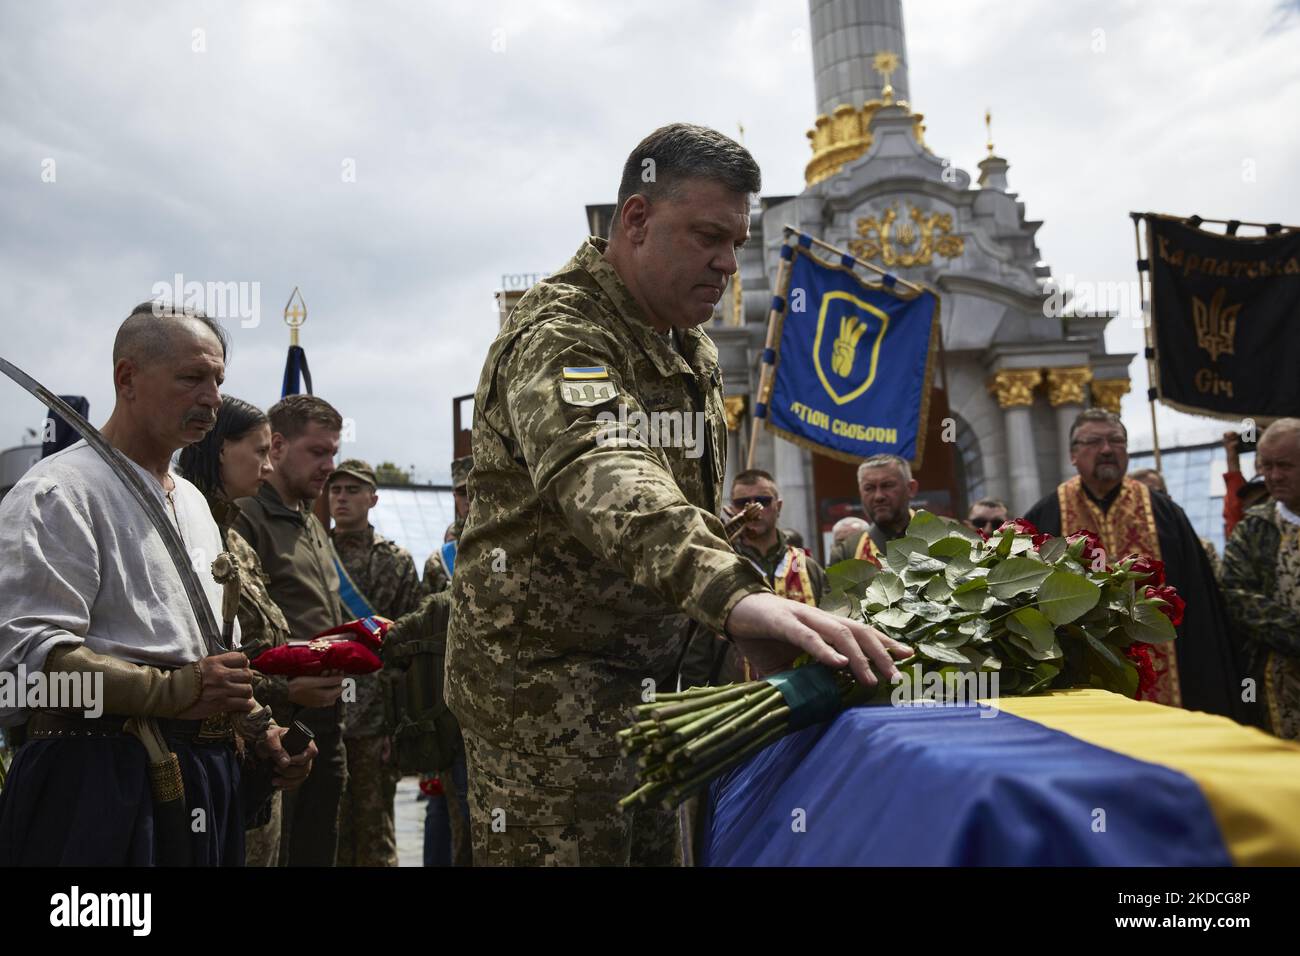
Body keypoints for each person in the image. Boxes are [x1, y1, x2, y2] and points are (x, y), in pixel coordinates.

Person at [445, 123, 908, 867]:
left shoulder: (685, 343)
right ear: (635, 220)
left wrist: (732, 619)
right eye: (706, 237)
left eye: (736, 242)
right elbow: (606, 471)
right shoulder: (561, 332)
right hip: (547, 700)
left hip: (659, 693)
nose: (728, 264)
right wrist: (735, 594)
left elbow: (677, 501)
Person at [0, 302, 313, 865]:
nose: (213, 398)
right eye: (191, 378)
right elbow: (24, 671)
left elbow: (216, 654)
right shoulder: (59, 492)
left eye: (218, 381)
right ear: (127, 379)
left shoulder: (193, 501)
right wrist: (170, 691)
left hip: (202, 783)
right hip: (98, 784)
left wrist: (261, 731)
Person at [178, 395, 336, 865]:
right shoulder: (183, 534)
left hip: (259, 754)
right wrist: (287, 685)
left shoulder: (236, 543)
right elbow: (190, 661)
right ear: (220, 449)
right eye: (259, 452)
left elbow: (260, 645)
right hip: (210, 759)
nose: (268, 468)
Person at [1024, 409, 1249, 722]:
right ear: (1073, 455)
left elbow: (1200, 609)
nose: (1106, 449)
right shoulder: (1046, 517)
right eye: (1094, 441)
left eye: (1116, 440)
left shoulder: (1166, 516)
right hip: (1082, 671)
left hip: (1167, 670)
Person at [234, 394, 348, 866]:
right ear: (276, 446)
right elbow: (235, 633)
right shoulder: (246, 517)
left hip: (327, 716)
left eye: (333, 453)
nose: (328, 466)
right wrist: (284, 688)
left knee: (318, 848)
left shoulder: (312, 521)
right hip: (276, 718)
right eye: (317, 452)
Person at [328, 459, 421, 867]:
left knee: (374, 838)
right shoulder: (310, 554)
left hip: (374, 720)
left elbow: (409, 650)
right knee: (324, 834)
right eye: (335, 490)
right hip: (320, 712)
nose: (342, 498)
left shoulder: (396, 561)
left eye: (352, 490)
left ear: (373, 498)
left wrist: (397, 727)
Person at [1221, 418, 1300, 740]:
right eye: (1266, 466)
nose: (1274, 476)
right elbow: (1237, 597)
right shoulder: (1253, 527)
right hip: (1277, 682)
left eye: (1285, 465)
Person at [827, 454, 919, 565]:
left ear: (911, 488)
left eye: (887, 485)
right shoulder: (846, 554)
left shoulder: (942, 534)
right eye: (869, 488)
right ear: (860, 493)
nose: (878, 496)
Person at [422, 456, 472, 596]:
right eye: (463, 493)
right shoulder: (437, 563)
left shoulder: (505, 544)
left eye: (475, 490)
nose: (468, 500)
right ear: (454, 496)